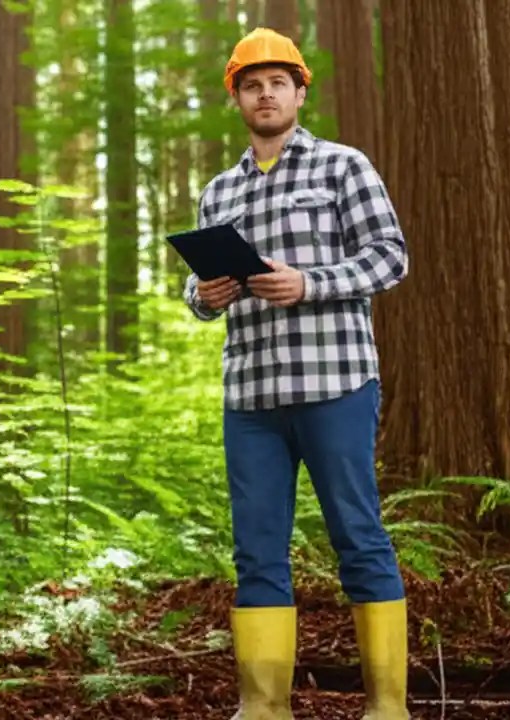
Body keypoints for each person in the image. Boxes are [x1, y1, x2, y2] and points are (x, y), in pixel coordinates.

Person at [182, 28, 411, 720]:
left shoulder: (344, 167)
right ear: (238, 99)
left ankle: (387, 706)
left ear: (299, 91)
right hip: (250, 396)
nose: (265, 94)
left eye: (278, 82)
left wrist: (310, 282)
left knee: (357, 534)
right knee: (256, 550)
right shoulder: (218, 193)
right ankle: (263, 707)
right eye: (252, 85)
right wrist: (206, 297)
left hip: (335, 384)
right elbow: (196, 295)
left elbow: (390, 258)